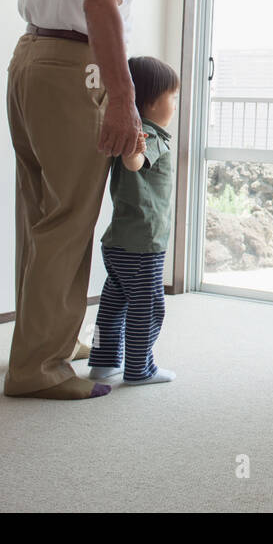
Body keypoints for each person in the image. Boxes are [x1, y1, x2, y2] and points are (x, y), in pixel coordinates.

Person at [5, 0, 159, 401]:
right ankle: (36, 369)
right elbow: (101, 3)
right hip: (74, 68)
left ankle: (46, 340)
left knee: (39, 213)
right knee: (69, 218)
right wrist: (122, 99)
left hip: (28, 60)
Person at [86, 56, 180, 386]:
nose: (174, 104)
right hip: (142, 246)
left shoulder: (126, 130)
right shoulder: (148, 136)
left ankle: (102, 361)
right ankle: (140, 368)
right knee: (148, 308)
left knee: (113, 305)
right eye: (173, 97)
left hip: (117, 244)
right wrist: (133, 151)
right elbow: (135, 163)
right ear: (151, 102)